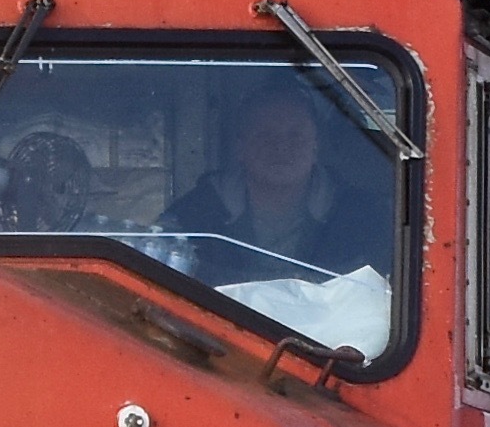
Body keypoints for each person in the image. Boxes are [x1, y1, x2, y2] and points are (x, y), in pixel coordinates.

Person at [160, 73, 391, 286]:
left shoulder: (365, 218)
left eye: (295, 135)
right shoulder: (194, 217)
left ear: (316, 146)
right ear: (240, 147)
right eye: (265, 135)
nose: (281, 148)